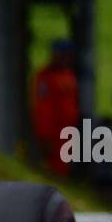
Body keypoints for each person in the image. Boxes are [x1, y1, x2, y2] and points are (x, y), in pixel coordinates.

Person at [30, 39, 80, 175]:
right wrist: (45, 136)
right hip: (53, 133)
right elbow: (43, 109)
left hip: (68, 131)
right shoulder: (45, 77)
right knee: (54, 169)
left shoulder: (69, 75)